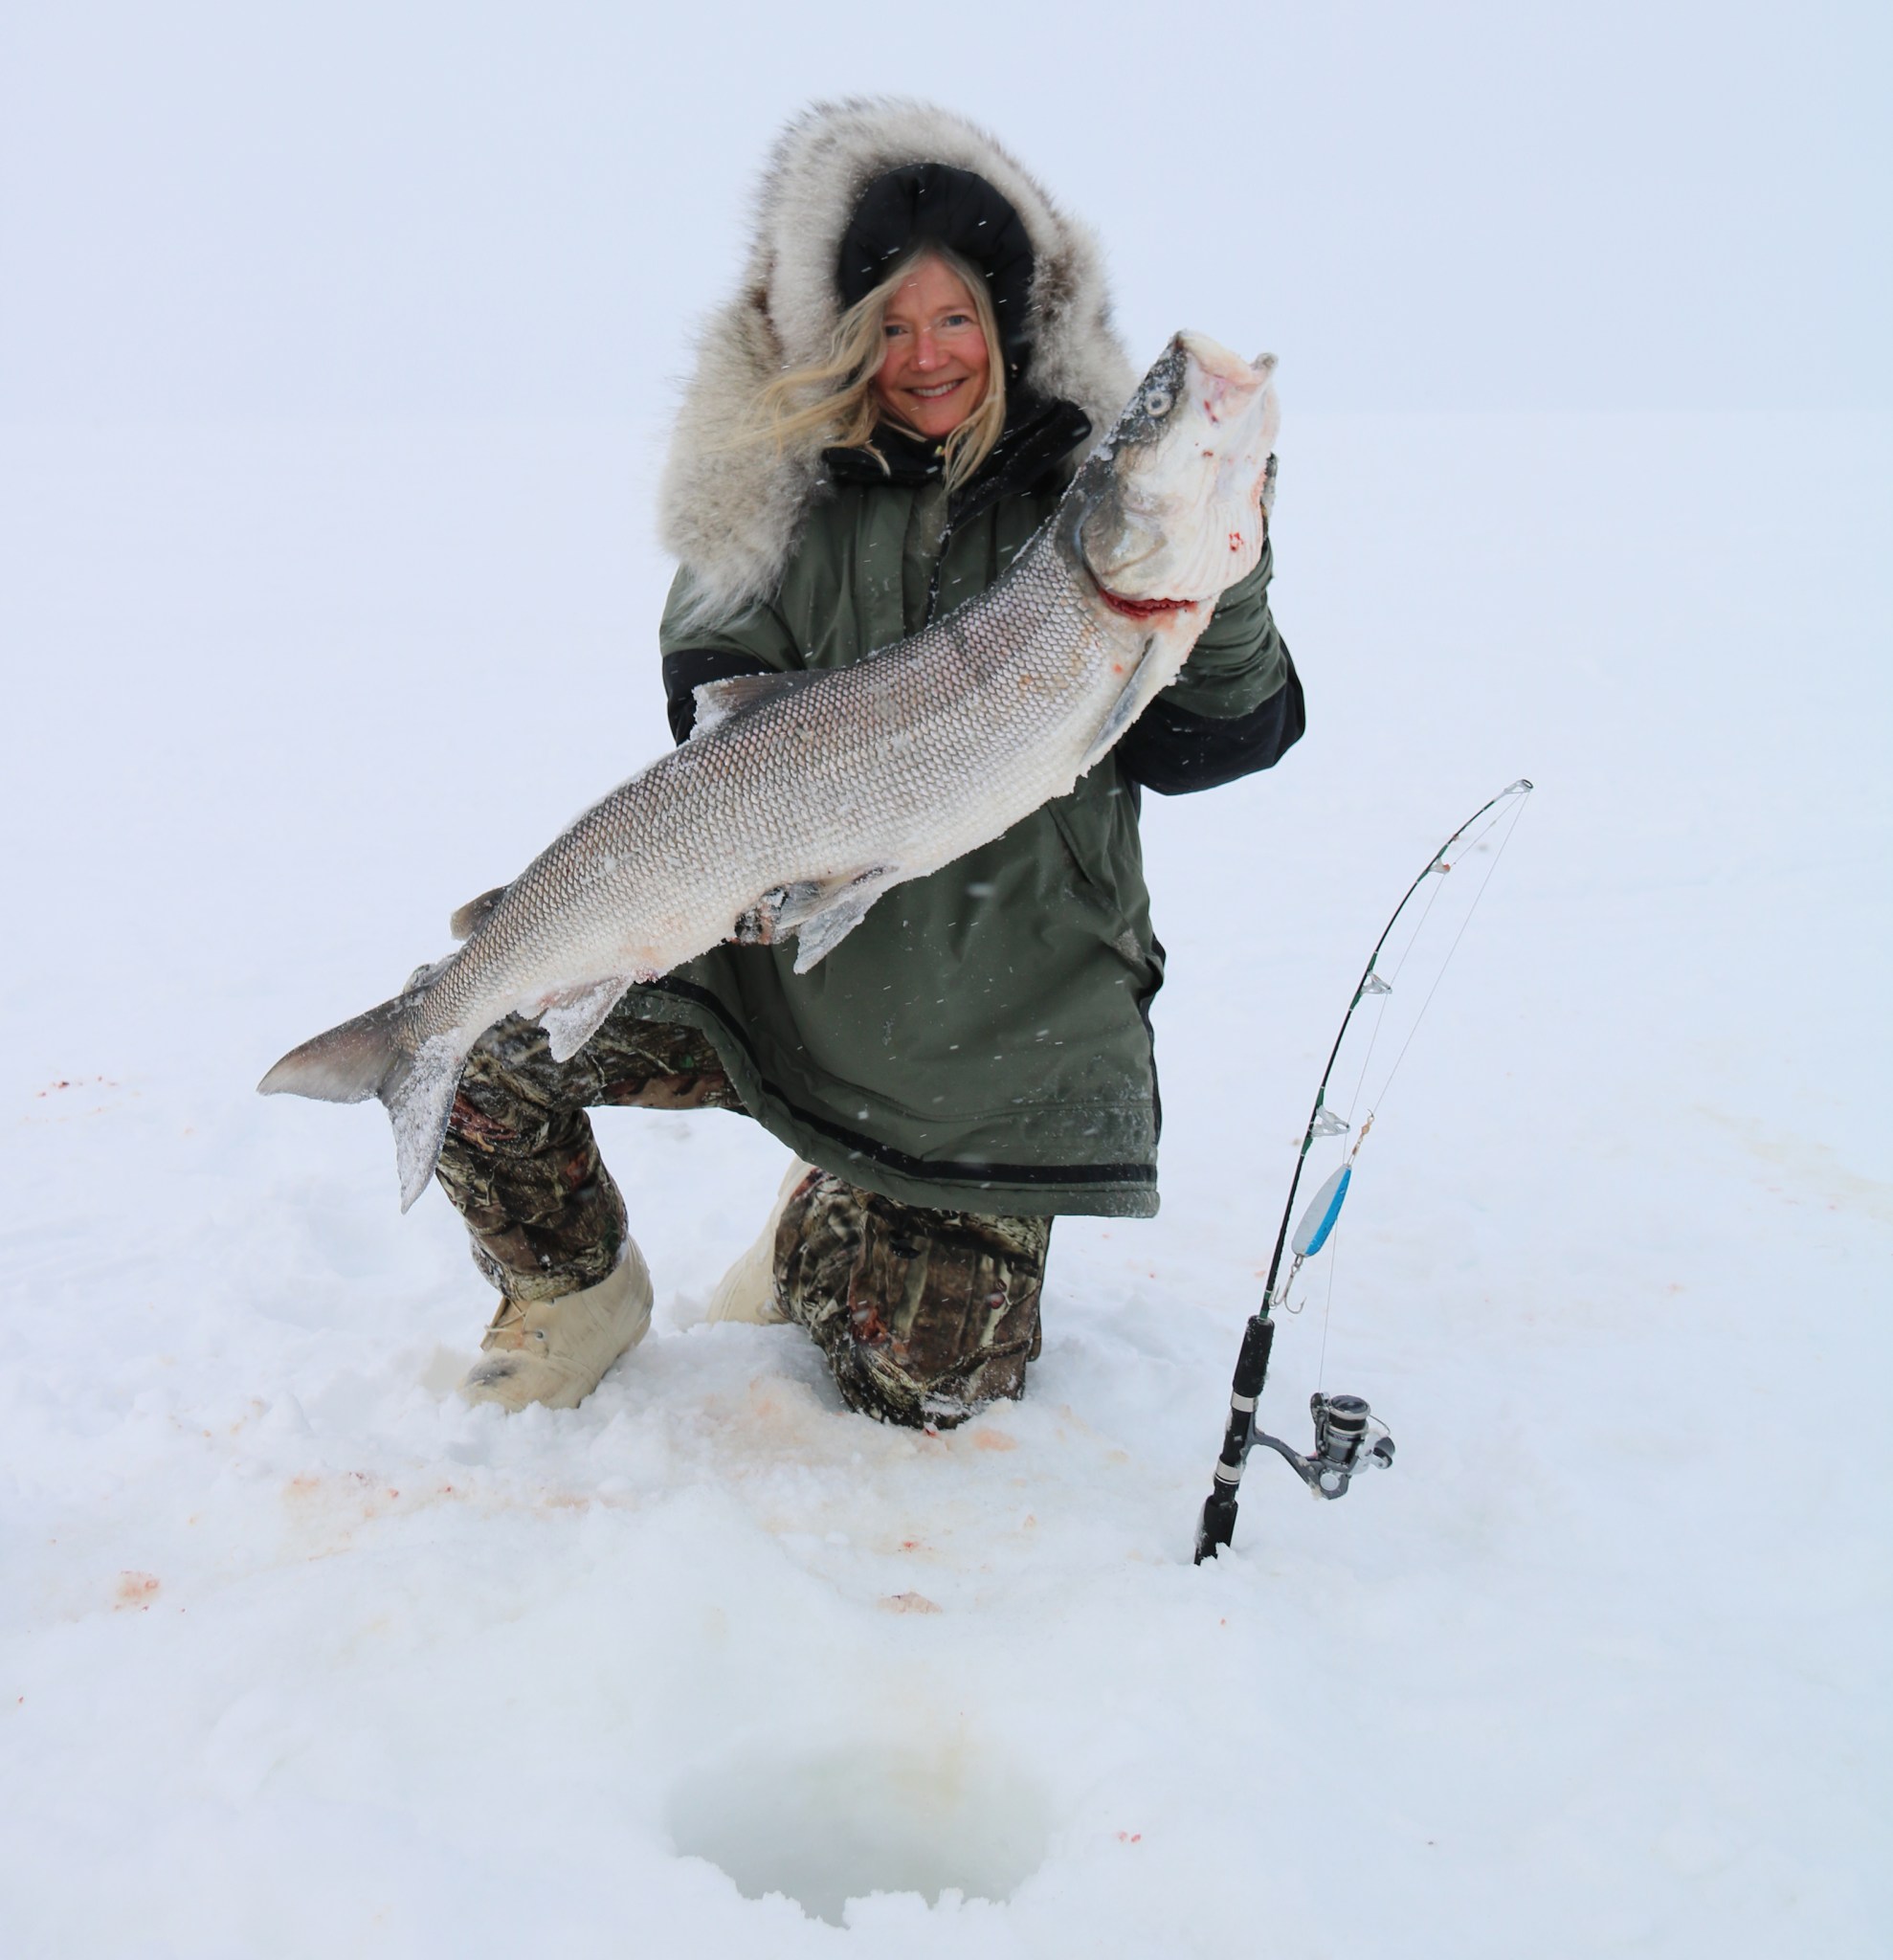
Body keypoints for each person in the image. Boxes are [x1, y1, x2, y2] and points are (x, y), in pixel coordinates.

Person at [438, 99, 1303, 1424]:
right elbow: (715, 714)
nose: (926, 355)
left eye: (954, 317)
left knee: (924, 1386)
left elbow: (1218, 744)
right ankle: (574, 1292)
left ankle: (817, 1227)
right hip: (779, 965)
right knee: (485, 1034)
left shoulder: (1091, 504)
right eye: (889, 325)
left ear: (1007, 319)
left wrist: (1223, 564)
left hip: (991, 1015)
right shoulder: (777, 493)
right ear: (843, 337)